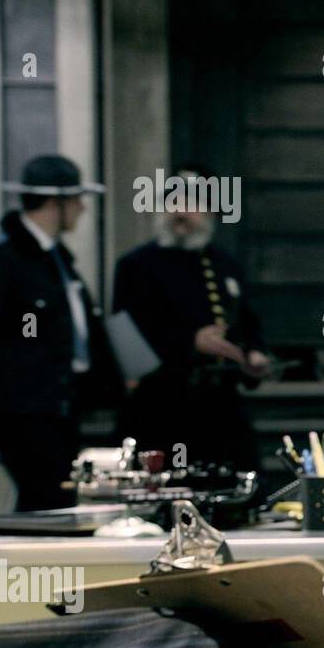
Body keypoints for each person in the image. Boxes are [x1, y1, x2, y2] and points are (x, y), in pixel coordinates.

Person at [0, 155, 123, 510]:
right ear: (54, 203)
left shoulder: (54, 259)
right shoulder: (3, 257)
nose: (82, 209)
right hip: (21, 407)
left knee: (52, 497)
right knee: (48, 493)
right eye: (76, 200)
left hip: (59, 403)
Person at [112, 163, 271, 472]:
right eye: (174, 202)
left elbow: (246, 322)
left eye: (192, 203)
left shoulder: (225, 264)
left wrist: (254, 354)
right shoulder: (136, 265)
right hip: (161, 405)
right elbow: (129, 336)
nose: (181, 211)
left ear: (211, 213)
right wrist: (190, 341)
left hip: (220, 405)